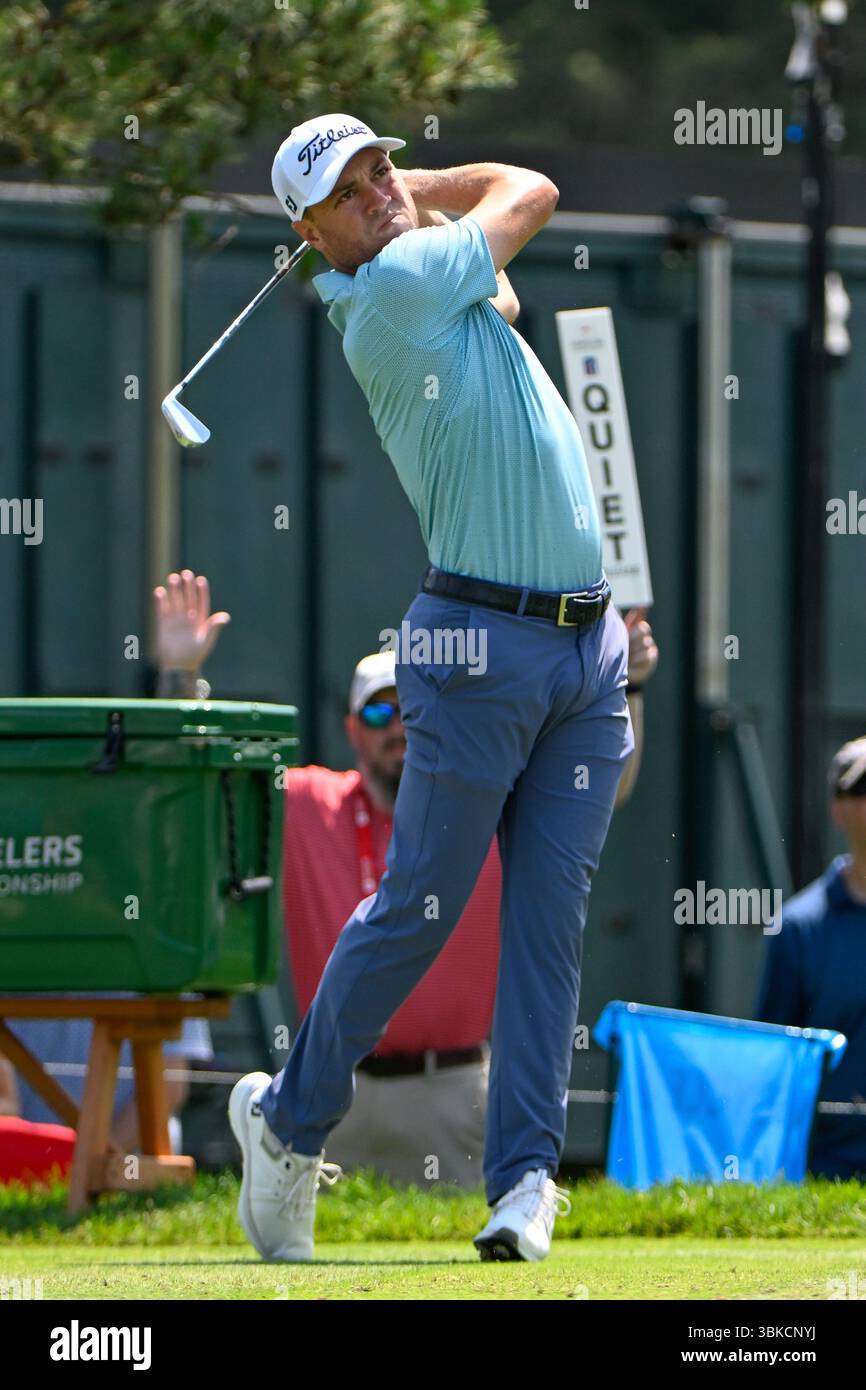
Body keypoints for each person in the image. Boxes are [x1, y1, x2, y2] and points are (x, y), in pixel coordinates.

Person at [228, 110, 640, 1266]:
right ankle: (285, 1118)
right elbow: (533, 185)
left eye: (379, 171)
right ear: (312, 236)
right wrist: (423, 181)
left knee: (546, 927)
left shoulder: (417, 276)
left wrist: (396, 187)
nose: (380, 195)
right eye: (350, 193)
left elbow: (500, 291)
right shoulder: (398, 281)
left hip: (581, 645)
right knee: (417, 909)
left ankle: (519, 1183)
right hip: (474, 646)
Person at [153, 570, 658, 1190]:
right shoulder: (311, 803)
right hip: (343, 1097)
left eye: (406, 704)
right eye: (376, 709)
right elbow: (207, 787)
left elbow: (603, 790)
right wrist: (181, 679)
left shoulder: (491, 806)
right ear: (350, 731)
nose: (397, 725)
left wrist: (626, 686)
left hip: (456, 1099)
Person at [755, 737, 866, 1182]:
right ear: (837, 810)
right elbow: (774, 1061)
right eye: (862, 791)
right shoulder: (799, 927)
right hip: (826, 1171)